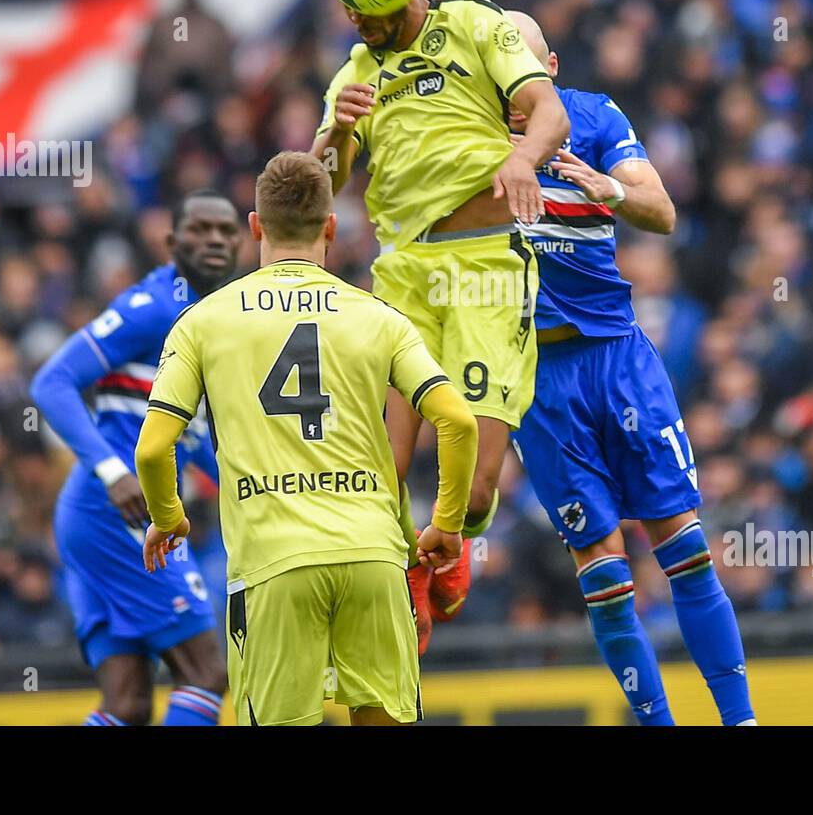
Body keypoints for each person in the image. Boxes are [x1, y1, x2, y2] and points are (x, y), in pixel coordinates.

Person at [135, 151, 478, 725]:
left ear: (254, 227)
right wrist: (448, 521)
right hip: (373, 555)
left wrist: (169, 519)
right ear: (330, 227)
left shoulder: (202, 321)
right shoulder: (380, 317)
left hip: (274, 565)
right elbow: (458, 421)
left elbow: (151, 447)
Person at [309, 0, 570, 649]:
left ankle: (450, 544)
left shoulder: (475, 27)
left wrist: (524, 159)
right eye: (353, 12)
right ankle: (398, 578)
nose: (364, 25)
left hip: (489, 264)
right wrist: (333, 134)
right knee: (386, 458)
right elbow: (316, 193)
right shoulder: (354, 74)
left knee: (478, 488)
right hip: (403, 274)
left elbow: (547, 111)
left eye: (378, 13)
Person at [506, 12, 755, 726]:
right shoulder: (468, 134)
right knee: (602, 568)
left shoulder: (593, 116)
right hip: (539, 377)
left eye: (526, 70)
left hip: (616, 357)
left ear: (550, 67)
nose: (516, 87)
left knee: (680, 542)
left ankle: (740, 720)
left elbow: (663, 211)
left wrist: (606, 189)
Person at [29, 190, 241, 726]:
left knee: (128, 704)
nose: (214, 240)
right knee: (205, 672)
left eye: (225, 230)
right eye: (200, 229)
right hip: (117, 511)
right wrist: (113, 470)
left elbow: (193, 441)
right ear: (171, 242)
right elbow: (52, 382)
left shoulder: (213, 315)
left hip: (110, 515)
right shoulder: (153, 308)